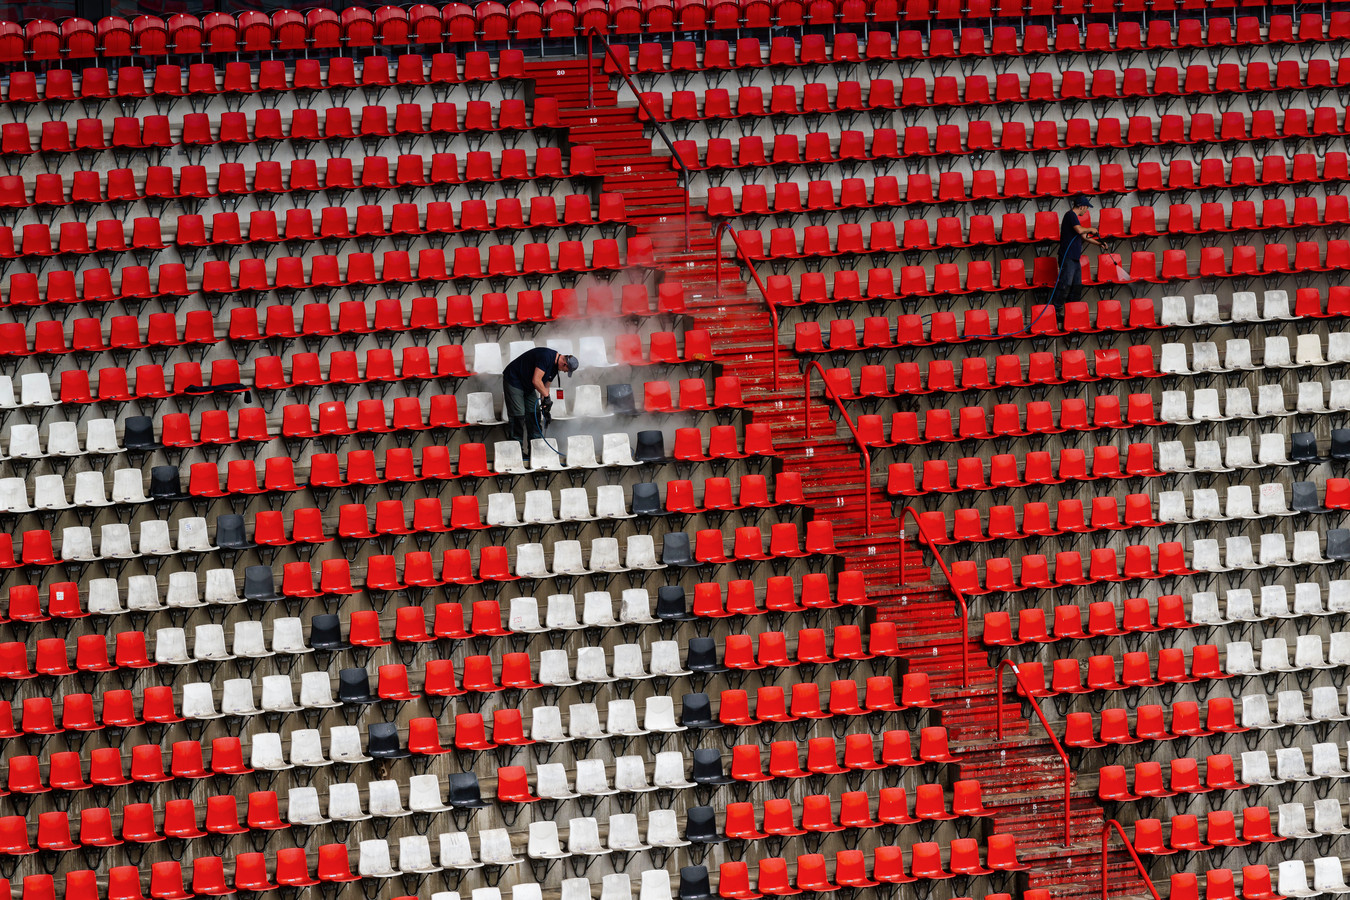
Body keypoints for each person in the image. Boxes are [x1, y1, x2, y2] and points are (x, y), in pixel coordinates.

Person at [502, 346, 577, 452]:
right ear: (564, 364)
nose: (565, 372)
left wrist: (546, 404)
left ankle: (535, 450)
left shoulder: (555, 367)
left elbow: (546, 386)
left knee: (535, 413)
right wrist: (546, 397)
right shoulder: (546, 357)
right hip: (514, 379)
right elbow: (536, 381)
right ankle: (516, 452)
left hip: (528, 385)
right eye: (566, 370)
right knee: (518, 415)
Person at [1054, 195, 1106, 314]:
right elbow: (1080, 230)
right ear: (1082, 206)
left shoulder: (1075, 218)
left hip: (1075, 257)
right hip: (1068, 257)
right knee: (1065, 284)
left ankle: (1073, 311)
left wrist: (1099, 243)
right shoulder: (1070, 215)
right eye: (1086, 208)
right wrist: (1091, 229)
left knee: (1076, 285)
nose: (1086, 210)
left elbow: (1083, 235)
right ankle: (1056, 311)